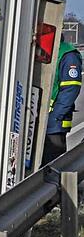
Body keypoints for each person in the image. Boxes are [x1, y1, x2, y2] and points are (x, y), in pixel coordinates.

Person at [42, 36, 82, 165]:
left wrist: (54, 117)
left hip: (55, 124)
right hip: (39, 120)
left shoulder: (68, 54)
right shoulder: (43, 50)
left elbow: (70, 89)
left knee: (52, 163)